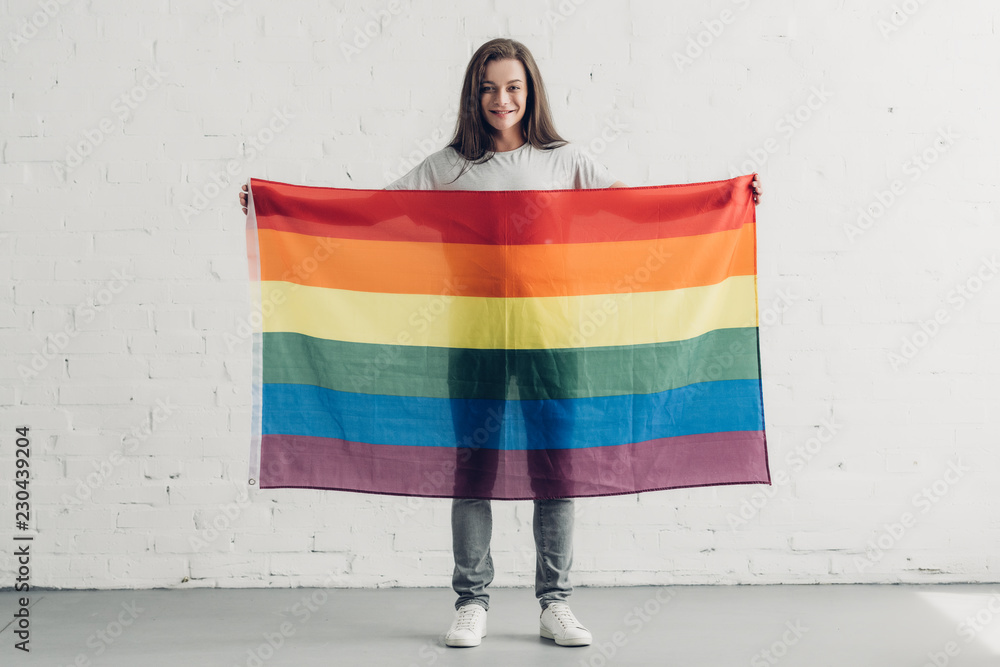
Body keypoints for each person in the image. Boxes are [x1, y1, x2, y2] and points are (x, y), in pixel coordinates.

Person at [240, 37, 762, 650]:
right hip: (474, 340)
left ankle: (555, 603)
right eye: (488, 87)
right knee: (473, 471)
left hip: (554, 339)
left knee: (557, 471)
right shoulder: (448, 168)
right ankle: (471, 601)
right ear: (473, 95)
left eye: (513, 86)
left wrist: (728, 203)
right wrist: (276, 207)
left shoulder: (565, 162)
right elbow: (373, 214)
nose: (501, 99)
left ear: (531, 91)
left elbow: (636, 213)